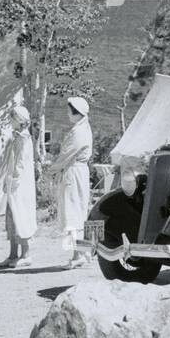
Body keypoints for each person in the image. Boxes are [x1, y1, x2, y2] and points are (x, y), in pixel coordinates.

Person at [50, 96, 93, 268]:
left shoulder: (78, 132)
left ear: (77, 113)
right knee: (77, 213)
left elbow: (66, 155)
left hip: (74, 173)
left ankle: (78, 255)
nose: (68, 114)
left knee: (73, 214)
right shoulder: (82, 129)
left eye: (70, 111)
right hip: (77, 172)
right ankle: (81, 253)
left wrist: (52, 170)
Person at [0, 105, 37, 268]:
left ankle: (25, 254)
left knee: (21, 215)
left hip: (20, 184)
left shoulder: (24, 139)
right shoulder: (16, 138)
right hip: (13, 182)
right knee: (11, 217)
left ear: (18, 120)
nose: (10, 121)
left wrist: (13, 181)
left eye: (12, 118)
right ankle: (12, 254)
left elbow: (20, 164)